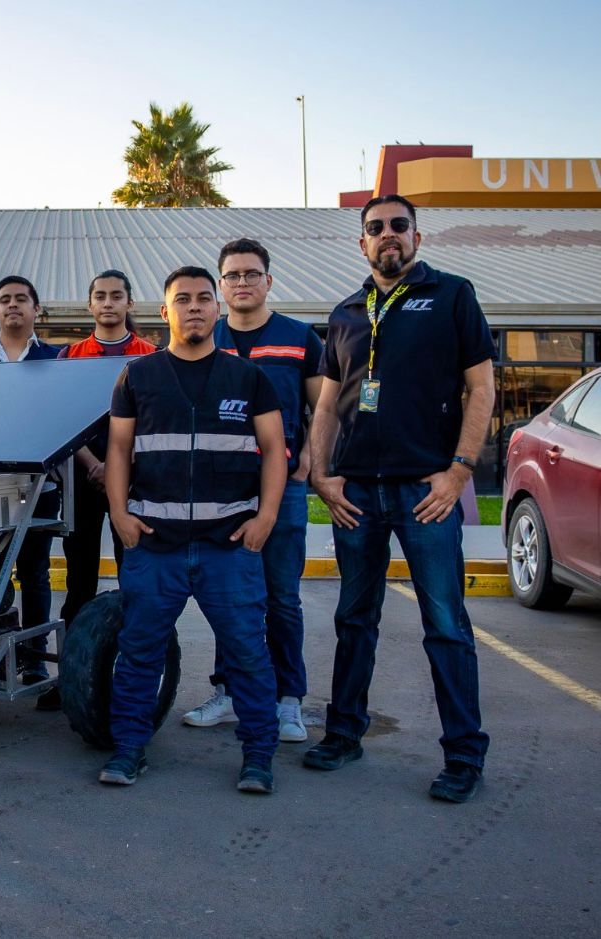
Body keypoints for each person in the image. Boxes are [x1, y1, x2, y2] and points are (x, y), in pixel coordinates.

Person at [307, 194, 494, 804]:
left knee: (444, 624)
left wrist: (459, 472)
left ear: (417, 236)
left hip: (426, 492)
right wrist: (322, 474)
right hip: (355, 492)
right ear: (362, 243)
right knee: (353, 620)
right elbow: (330, 402)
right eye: (375, 229)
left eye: (398, 226)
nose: (388, 235)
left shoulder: (452, 296)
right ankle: (343, 734)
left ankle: (464, 755)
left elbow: (482, 388)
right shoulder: (344, 314)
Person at [100, 266, 285, 792]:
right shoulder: (137, 377)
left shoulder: (248, 378)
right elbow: (118, 449)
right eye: (183, 299)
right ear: (165, 313)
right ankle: (129, 750)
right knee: (139, 652)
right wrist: (119, 513)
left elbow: (275, 450)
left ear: (218, 309)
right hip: (154, 544)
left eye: (205, 298)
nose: (196, 307)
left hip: (228, 545)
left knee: (248, 653)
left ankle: (258, 757)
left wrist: (265, 517)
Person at [183, 239, 323, 743]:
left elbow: (321, 410)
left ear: (269, 280)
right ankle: (230, 692)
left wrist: (311, 459)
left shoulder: (299, 337)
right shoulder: (202, 335)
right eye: (233, 275)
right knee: (228, 597)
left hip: (280, 485)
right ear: (220, 287)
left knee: (282, 597)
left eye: (251, 274)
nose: (242, 282)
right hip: (219, 489)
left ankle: (288, 700)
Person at [0, 275, 65, 703]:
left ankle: (35, 657)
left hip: (40, 485)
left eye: (21, 299)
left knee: (36, 574)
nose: (12, 306)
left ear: (36, 309)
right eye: (4, 300)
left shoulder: (56, 358)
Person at [58, 270, 159, 630]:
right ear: (90, 304)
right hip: (84, 478)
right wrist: (94, 465)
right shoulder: (70, 356)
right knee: (79, 580)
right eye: (100, 296)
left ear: (129, 302)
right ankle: (73, 676)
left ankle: (133, 669)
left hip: (136, 481)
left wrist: (119, 465)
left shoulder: (151, 356)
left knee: (135, 575)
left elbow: (156, 423)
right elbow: (63, 420)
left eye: (116, 296)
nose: (108, 302)